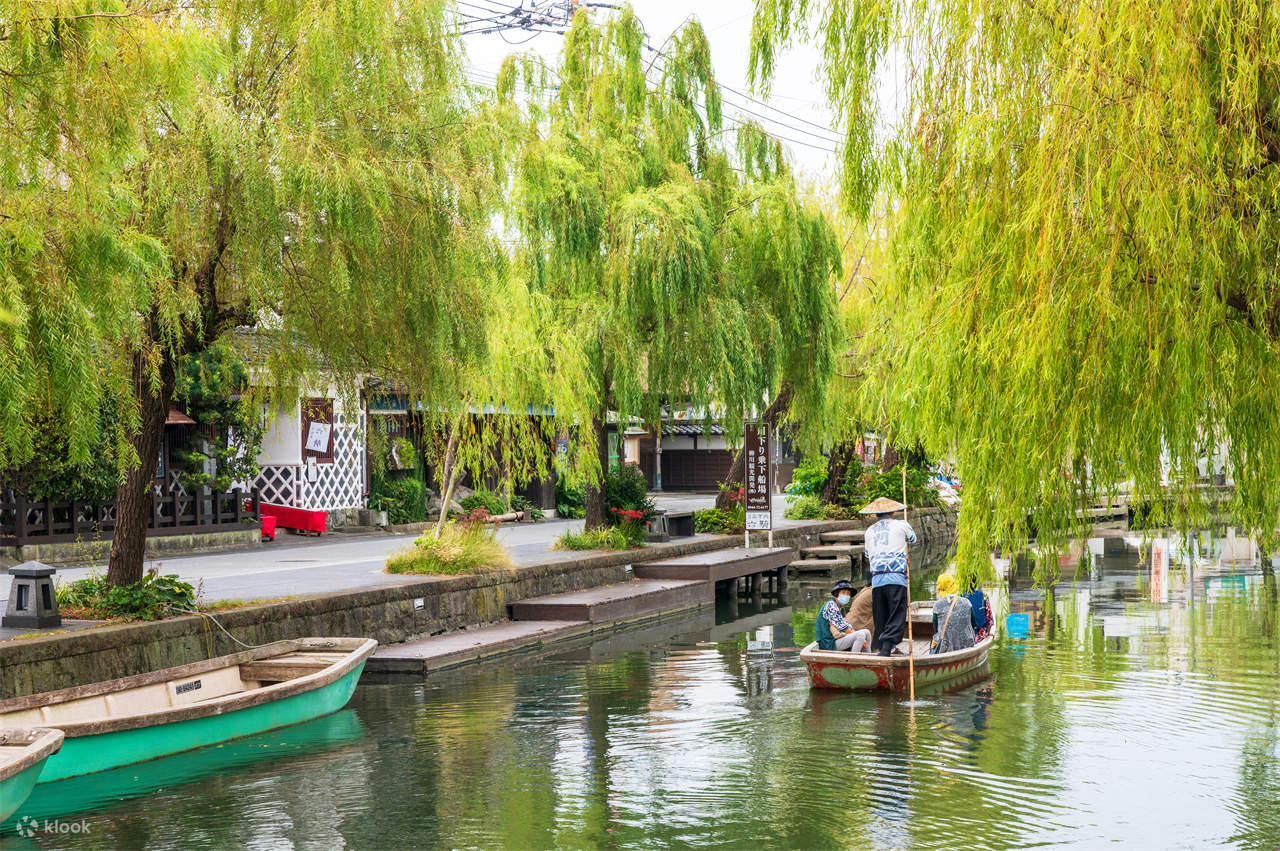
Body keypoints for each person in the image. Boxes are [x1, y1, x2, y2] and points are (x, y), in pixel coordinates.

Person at [862, 498, 917, 656]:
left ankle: (887, 647)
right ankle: (886, 649)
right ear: (892, 512)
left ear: (876, 515)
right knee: (897, 614)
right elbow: (913, 539)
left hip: (877, 580)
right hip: (896, 578)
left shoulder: (869, 531)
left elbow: (867, 554)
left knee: (881, 616)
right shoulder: (901, 525)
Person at [815, 580, 873, 652]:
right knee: (860, 635)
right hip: (829, 643)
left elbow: (847, 625)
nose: (846, 595)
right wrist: (859, 637)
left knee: (866, 632)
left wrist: (856, 634)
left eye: (848, 594)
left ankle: (867, 657)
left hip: (837, 640)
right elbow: (843, 627)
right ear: (836, 594)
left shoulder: (840, 608)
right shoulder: (831, 605)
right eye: (843, 593)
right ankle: (854, 660)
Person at [931, 573, 976, 654]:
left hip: (945, 648)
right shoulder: (967, 602)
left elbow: (935, 628)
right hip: (967, 645)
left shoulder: (937, 605)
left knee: (934, 640)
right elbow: (974, 623)